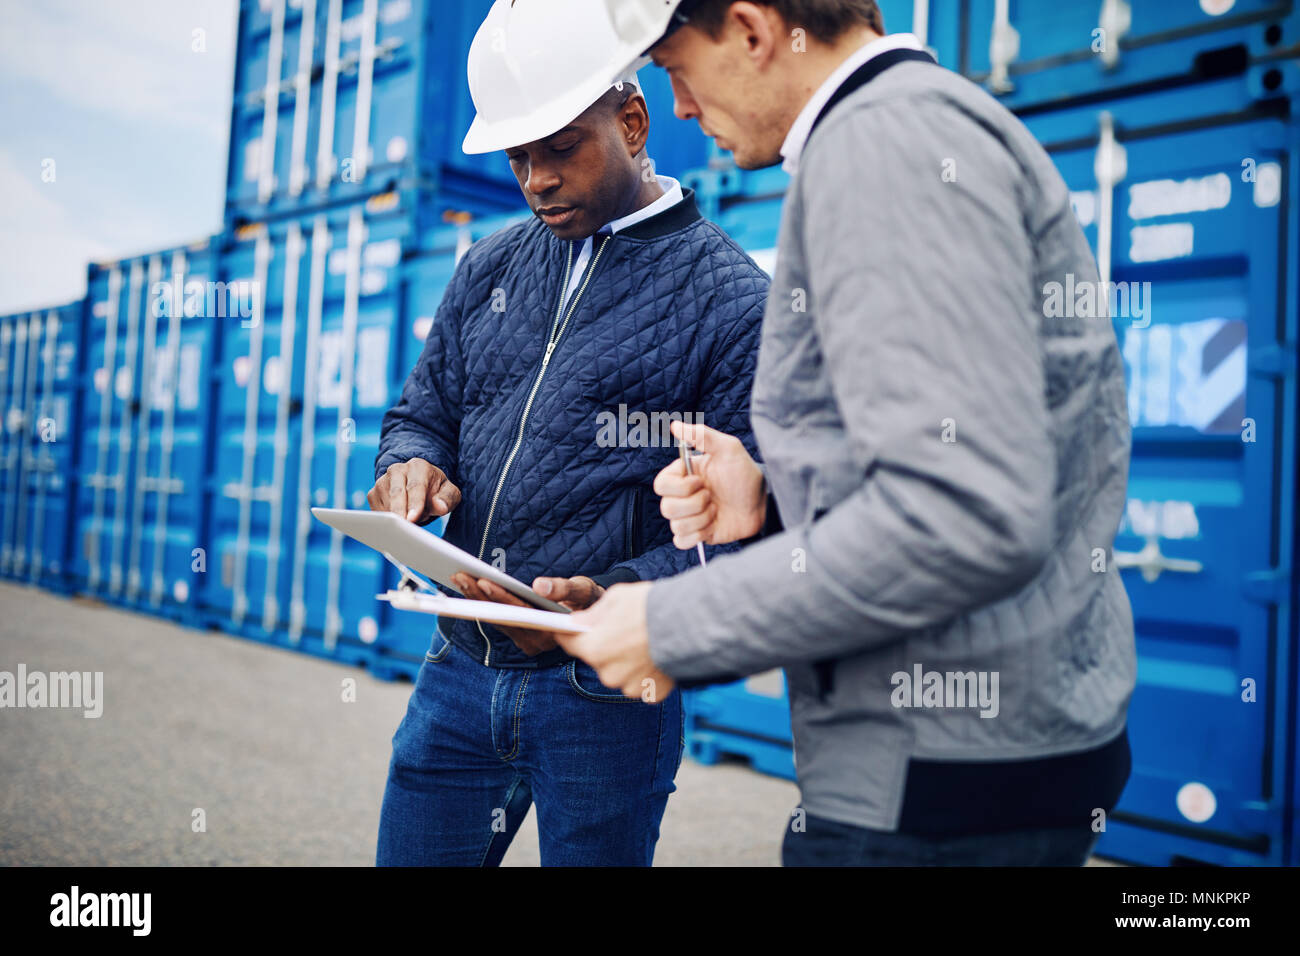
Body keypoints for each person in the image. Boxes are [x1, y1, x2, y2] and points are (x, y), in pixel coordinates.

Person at [562, 0, 1136, 866]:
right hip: (982, 752)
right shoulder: (921, 126)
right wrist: (769, 501)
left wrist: (671, 624)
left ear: (753, 33)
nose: (677, 105)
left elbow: (962, 515)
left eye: (676, 66)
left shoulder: (883, 150)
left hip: (935, 780)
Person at [368, 0, 768, 866]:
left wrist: (613, 596)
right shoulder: (488, 267)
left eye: (559, 148)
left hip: (608, 697)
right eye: (518, 157)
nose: (537, 179)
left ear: (632, 121)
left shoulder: (734, 302)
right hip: (457, 676)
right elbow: (420, 413)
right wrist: (412, 464)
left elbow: (741, 535)